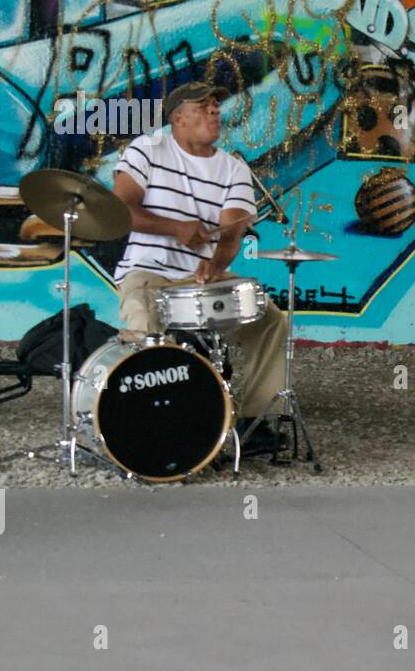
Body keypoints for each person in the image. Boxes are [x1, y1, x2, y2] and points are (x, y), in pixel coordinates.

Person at [111, 81, 288, 453]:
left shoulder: (233, 168)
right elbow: (120, 209)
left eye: (216, 106)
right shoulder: (147, 149)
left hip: (199, 278)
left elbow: (232, 232)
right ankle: (150, 428)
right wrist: (176, 228)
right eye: (203, 106)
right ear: (177, 117)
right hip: (149, 270)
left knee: (271, 321)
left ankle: (253, 423)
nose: (214, 112)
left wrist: (214, 263)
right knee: (144, 326)